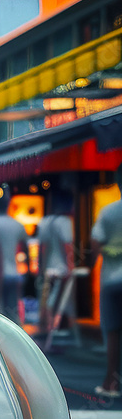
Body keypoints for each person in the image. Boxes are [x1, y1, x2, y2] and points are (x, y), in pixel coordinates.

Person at [91, 166, 122, 397]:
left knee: (113, 332)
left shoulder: (109, 212)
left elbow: (95, 243)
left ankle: (111, 381)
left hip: (111, 279)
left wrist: (94, 264)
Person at [37, 190, 75, 334]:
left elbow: (42, 248)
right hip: (61, 268)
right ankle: (57, 328)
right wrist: (71, 266)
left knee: (48, 299)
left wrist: (40, 268)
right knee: (62, 300)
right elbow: (68, 247)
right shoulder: (65, 222)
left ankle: (47, 328)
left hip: (48, 268)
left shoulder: (44, 221)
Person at [0, 192, 29, 323]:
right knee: (12, 313)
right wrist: (27, 269)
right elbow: (25, 249)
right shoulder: (17, 225)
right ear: (8, 205)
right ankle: (14, 340)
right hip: (12, 273)